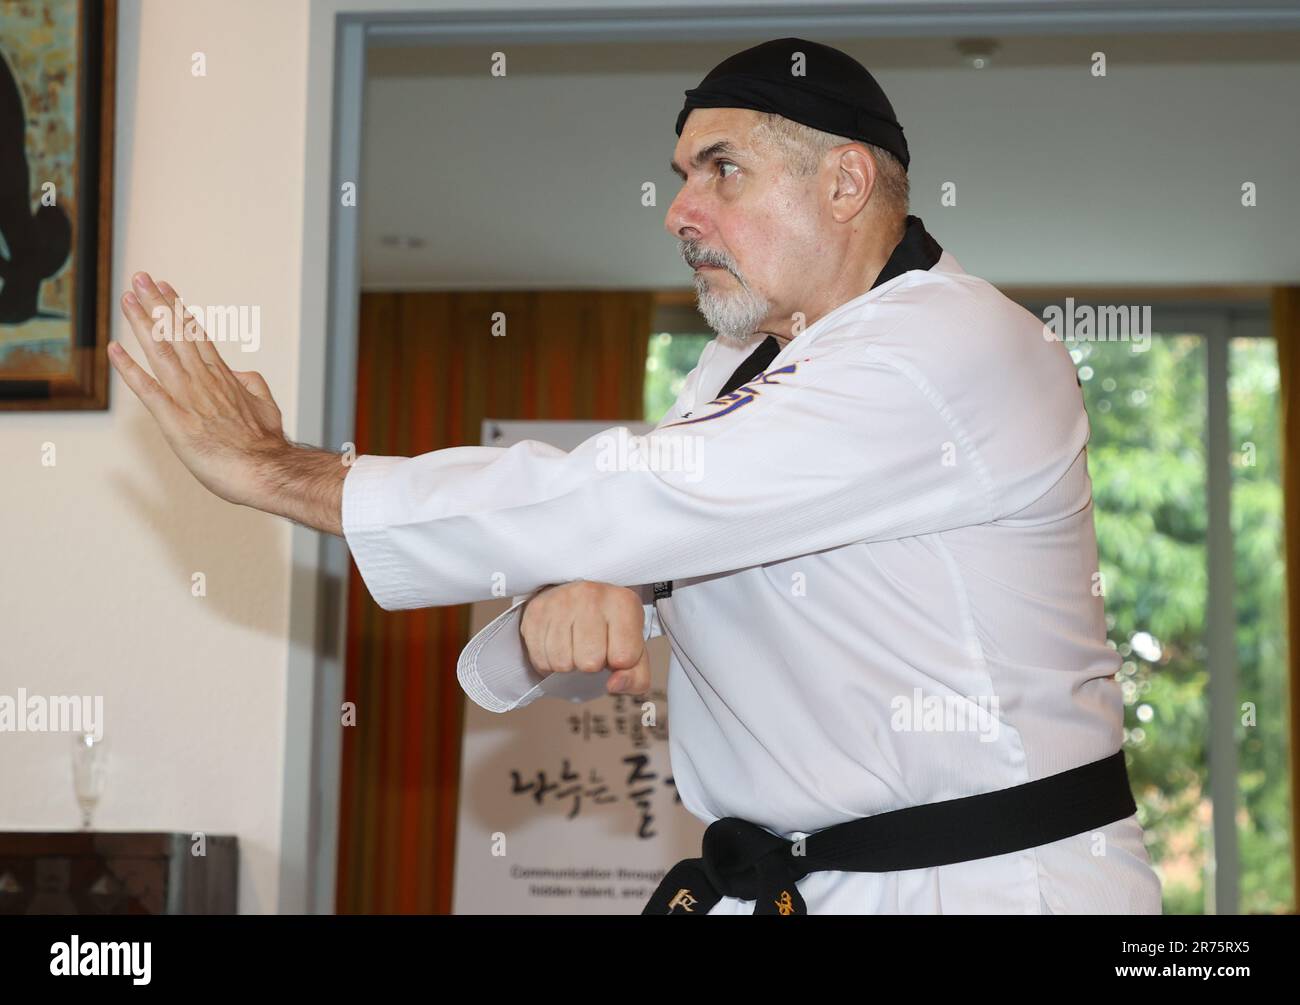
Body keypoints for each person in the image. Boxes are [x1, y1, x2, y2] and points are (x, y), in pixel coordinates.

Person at [108, 37, 1161, 915]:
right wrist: (570, 604)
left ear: (844, 183)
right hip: (794, 884)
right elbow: (651, 546)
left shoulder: (949, 349)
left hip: (981, 884)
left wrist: (287, 474)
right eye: (682, 174)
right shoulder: (741, 366)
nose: (679, 210)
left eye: (721, 169)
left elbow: (639, 497)